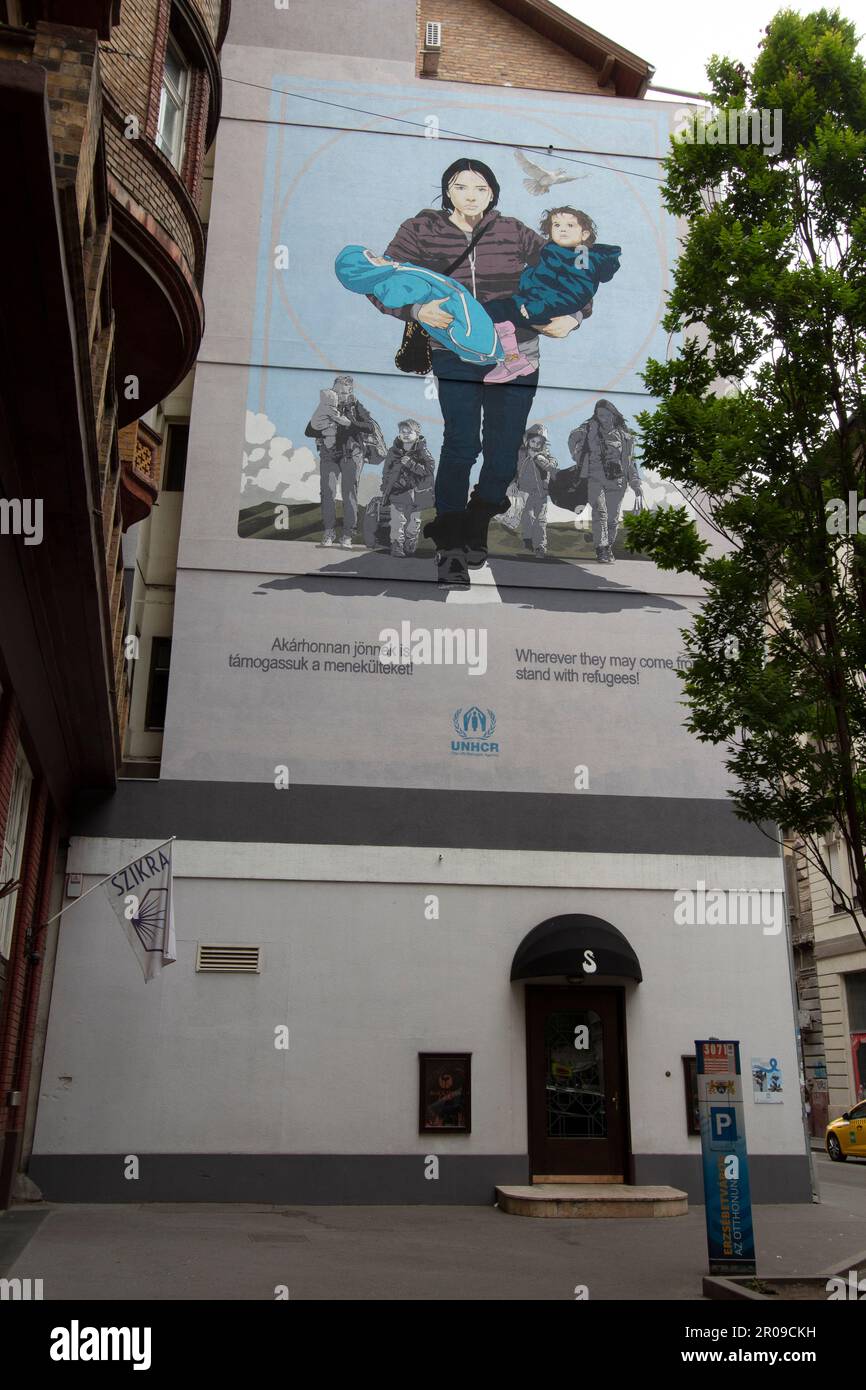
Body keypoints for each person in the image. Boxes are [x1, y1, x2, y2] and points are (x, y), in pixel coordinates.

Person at [363, 158, 581, 587]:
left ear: (492, 193)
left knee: (502, 452)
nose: (470, 195)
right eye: (460, 187)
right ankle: (449, 545)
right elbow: (382, 279)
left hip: (518, 349)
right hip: (455, 348)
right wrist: (415, 309)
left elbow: (568, 272)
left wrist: (574, 315)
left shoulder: (513, 230)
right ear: (447, 190)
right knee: (462, 443)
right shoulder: (419, 230)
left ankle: (478, 520)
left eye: (480, 189)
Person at [306, 374, 384, 547]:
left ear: (350, 392)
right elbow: (309, 430)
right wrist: (325, 429)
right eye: (337, 391)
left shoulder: (356, 406)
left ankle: (348, 534)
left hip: (352, 453)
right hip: (329, 454)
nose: (340, 395)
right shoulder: (326, 405)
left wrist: (349, 423)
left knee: (349, 493)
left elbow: (369, 426)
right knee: (327, 492)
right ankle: (328, 532)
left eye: (343, 392)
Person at [567, 400, 642, 563]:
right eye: (601, 415)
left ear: (614, 415)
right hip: (594, 478)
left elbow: (630, 462)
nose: (605, 418)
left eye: (608, 415)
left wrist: (636, 483)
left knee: (612, 518)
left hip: (617, 481)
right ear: (597, 415)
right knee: (600, 512)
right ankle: (601, 549)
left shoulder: (625, 436)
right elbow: (572, 438)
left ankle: (607, 547)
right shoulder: (589, 428)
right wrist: (577, 456)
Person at [380, 419, 435, 557]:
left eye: (409, 432)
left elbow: (429, 469)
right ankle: (396, 544)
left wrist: (411, 464)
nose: (405, 434)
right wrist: (385, 485)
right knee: (397, 519)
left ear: (417, 434)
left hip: (417, 492)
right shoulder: (393, 451)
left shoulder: (423, 451)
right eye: (402, 432)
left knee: (413, 521)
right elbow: (386, 470)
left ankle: (411, 540)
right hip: (398, 491)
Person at [514, 422, 558, 556]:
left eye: (539, 443)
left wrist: (538, 458)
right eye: (533, 441)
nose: (535, 445)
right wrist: (513, 484)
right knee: (527, 517)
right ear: (527, 440)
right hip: (524, 491)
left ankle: (540, 547)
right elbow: (514, 470)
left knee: (540, 520)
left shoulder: (546, 456)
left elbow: (552, 467)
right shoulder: (521, 454)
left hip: (541, 493)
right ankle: (528, 539)